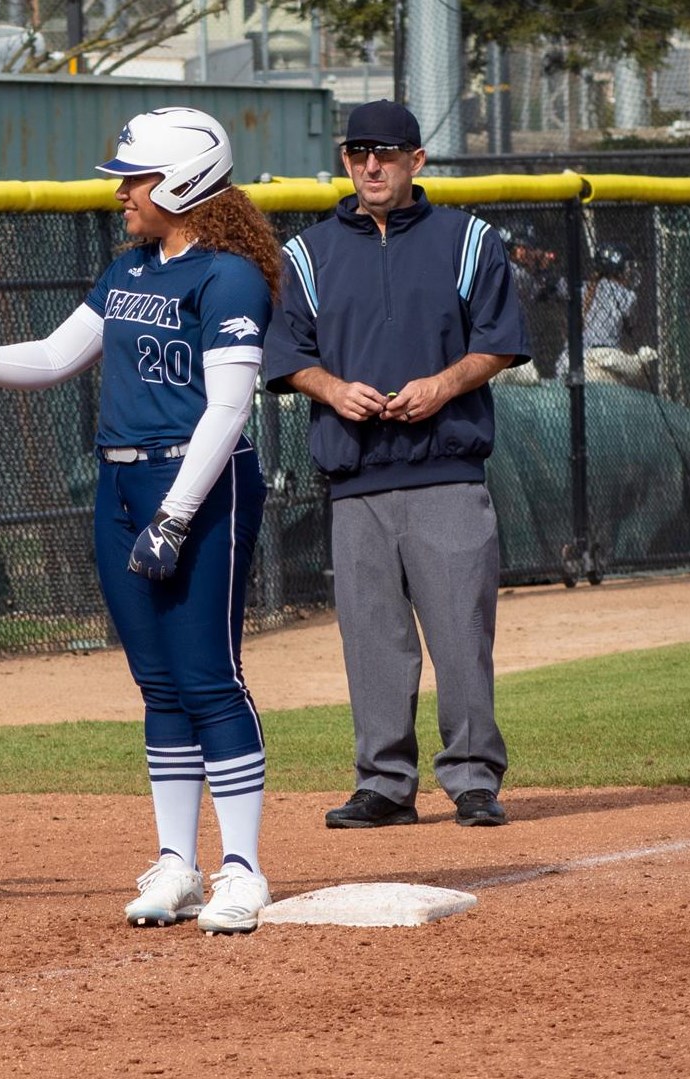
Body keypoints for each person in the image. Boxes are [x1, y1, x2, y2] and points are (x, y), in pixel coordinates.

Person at [0, 107, 283, 934]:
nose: (122, 193)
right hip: (117, 488)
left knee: (209, 675)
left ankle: (243, 866)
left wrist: (177, 515)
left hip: (198, 484)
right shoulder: (127, 272)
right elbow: (54, 354)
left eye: (134, 179)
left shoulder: (229, 276)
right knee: (157, 682)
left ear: (183, 182)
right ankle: (177, 861)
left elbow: (226, 410)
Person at [261, 99, 531, 829]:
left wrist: (442, 385)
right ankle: (383, 783)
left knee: (458, 637)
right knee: (373, 642)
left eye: (385, 152)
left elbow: (500, 339)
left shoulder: (467, 239)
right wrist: (330, 388)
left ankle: (473, 780)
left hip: (444, 469)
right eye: (356, 153)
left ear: (416, 160)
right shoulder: (307, 253)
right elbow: (287, 356)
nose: (370, 165)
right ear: (345, 161)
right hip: (354, 477)